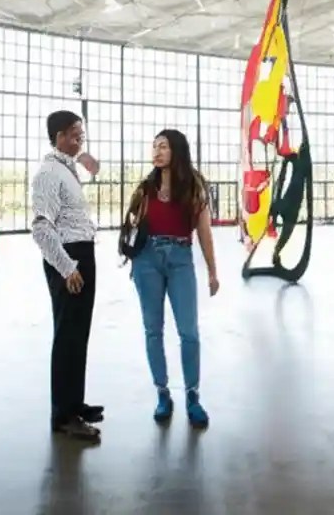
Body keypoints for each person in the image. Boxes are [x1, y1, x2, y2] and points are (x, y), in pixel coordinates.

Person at [121, 128, 219, 428]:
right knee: (153, 329)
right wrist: (133, 257)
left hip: (180, 259)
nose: (157, 152)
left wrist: (213, 270)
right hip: (147, 260)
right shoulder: (145, 187)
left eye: (163, 146)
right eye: (154, 147)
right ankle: (163, 393)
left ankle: (192, 395)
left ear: (176, 150)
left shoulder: (194, 185)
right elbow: (132, 226)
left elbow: (204, 231)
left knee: (189, 331)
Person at [31, 110, 103, 442]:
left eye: (82, 135)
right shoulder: (48, 173)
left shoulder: (65, 167)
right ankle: (63, 415)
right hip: (69, 259)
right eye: (75, 136)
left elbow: (84, 162)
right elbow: (42, 228)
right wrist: (67, 267)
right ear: (59, 136)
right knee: (67, 337)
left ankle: (74, 402)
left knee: (79, 335)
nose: (80, 141)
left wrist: (83, 156)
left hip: (81, 254)